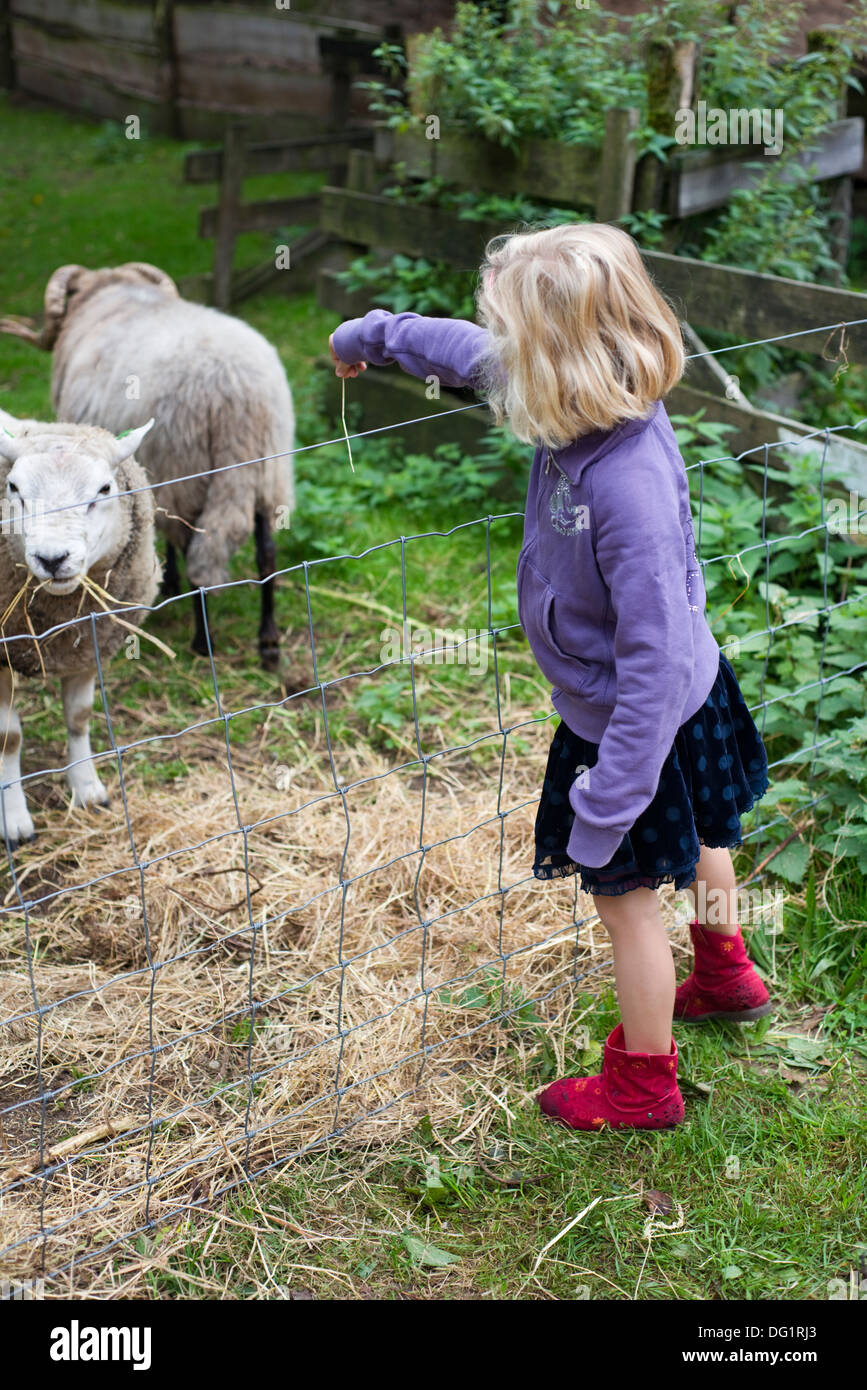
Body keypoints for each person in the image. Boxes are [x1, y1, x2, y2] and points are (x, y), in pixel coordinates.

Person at [329, 222, 771, 1133]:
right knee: (706, 835)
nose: (500, 360)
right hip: (678, 699)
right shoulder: (584, 388)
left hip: (633, 721)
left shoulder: (627, 488)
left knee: (627, 905)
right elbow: (458, 350)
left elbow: (648, 666)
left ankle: (644, 1085)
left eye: (515, 341)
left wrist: (608, 801)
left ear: (554, 356)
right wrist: (368, 336)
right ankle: (725, 972)